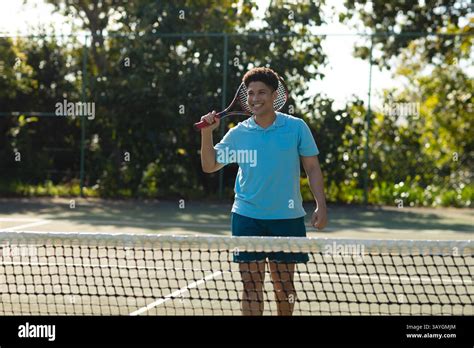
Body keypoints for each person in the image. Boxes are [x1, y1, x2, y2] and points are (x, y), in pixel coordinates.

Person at [200, 67, 327, 315]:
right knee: (251, 285)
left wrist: (321, 205)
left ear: (274, 95)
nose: (255, 98)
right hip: (247, 218)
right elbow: (209, 165)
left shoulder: (296, 127)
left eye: (261, 92)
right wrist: (207, 133)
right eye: (250, 93)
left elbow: (312, 168)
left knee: (284, 286)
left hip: (287, 219)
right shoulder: (238, 133)